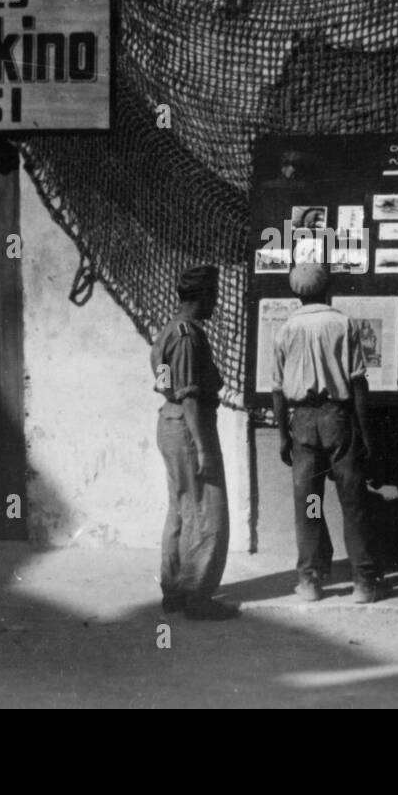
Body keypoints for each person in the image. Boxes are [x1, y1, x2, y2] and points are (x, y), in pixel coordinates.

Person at [271, 263, 392, 603]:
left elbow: (278, 390)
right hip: (338, 417)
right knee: (352, 501)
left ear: (296, 293)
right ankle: (364, 582)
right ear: (327, 288)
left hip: (303, 421)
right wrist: (365, 433)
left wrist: (283, 435)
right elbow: (357, 383)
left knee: (309, 501)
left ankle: (309, 581)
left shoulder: (284, 330)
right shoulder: (342, 322)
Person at [149, 265, 238, 620]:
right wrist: (202, 447)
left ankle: (174, 591)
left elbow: (164, 380)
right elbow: (188, 396)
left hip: (171, 424)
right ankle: (198, 597)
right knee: (206, 512)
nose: (216, 302)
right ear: (200, 296)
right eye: (213, 295)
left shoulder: (171, 329)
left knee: (182, 509)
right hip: (189, 426)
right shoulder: (187, 336)